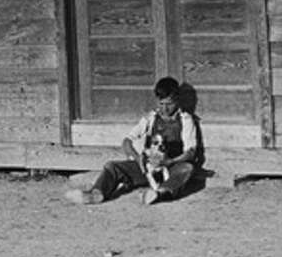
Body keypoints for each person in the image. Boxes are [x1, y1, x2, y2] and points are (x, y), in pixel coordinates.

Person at [65, 76, 202, 205]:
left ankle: (160, 194)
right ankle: (96, 194)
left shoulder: (185, 120)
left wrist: (170, 161)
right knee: (113, 166)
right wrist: (138, 159)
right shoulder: (151, 118)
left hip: (171, 167)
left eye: (170, 104)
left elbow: (191, 152)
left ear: (177, 100)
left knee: (187, 168)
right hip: (149, 169)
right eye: (162, 104)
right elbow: (127, 141)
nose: (165, 109)